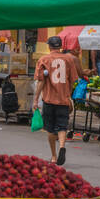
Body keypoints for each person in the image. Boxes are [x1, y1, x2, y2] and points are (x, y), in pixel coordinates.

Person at [33, 35, 82, 166]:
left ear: (49, 46)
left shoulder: (44, 59)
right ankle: (62, 146)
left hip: (49, 99)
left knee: (50, 129)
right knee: (62, 126)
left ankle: (54, 156)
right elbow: (73, 80)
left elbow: (40, 81)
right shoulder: (69, 59)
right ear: (61, 46)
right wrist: (68, 95)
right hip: (63, 100)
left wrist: (35, 100)